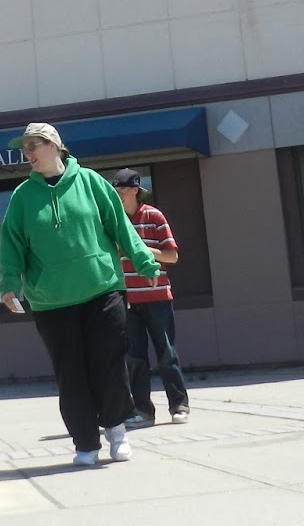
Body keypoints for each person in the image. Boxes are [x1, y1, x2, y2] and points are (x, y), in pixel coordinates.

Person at [0, 123, 162, 467]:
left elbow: (120, 226)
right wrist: (9, 283)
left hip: (102, 289)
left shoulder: (91, 182)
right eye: (25, 148)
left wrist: (145, 262)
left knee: (109, 363)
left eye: (34, 145)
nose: (28, 153)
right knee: (71, 374)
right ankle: (85, 443)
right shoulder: (22, 197)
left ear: (55, 146)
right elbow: (12, 243)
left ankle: (116, 430)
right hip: (51, 300)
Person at [111, 168, 191, 426]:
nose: (119, 195)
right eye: (116, 191)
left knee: (166, 353)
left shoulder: (154, 216)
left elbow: (172, 256)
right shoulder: (113, 221)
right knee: (134, 358)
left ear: (136, 190)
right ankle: (142, 410)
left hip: (157, 297)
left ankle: (179, 406)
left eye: (123, 190)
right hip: (127, 300)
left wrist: (142, 250)